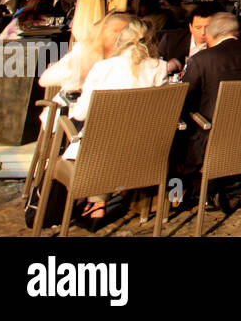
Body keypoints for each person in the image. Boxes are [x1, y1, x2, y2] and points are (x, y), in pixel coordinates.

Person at [65, 15, 172, 218]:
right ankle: (109, 197)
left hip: (99, 155)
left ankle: (93, 202)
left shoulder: (103, 68)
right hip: (144, 150)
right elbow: (161, 109)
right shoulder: (159, 67)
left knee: (84, 135)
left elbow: (81, 113)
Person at [179, 13, 241, 174]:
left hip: (212, 137)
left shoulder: (202, 59)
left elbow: (183, 96)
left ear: (210, 34)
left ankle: (180, 192)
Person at [159, 2, 218, 70]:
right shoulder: (170, 41)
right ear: (190, 27)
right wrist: (166, 67)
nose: (203, 33)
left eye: (208, 28)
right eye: (198, 28)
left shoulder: (220, 43)